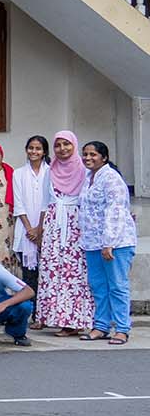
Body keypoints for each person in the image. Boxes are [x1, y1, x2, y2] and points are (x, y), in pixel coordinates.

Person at [35, 131, 94, 336]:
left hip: (76, 225)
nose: (62, 149)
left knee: (75, 272)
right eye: (58, 145)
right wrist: (41, 229)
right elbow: (45, 202)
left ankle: (76, 321)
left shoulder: (84, 171)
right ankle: (56, 318)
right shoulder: (50, 171)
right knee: (55, 271)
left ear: (74, 145)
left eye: (66, 144)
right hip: (54, 226)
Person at [78, 140, 136, 345]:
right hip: (92, 243)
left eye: (93, 154)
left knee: (117, 285)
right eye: (85, 154)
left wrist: (109, 242)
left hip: (115, 243)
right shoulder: (88, 178)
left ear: (104, 157)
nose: (88, 158)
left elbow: (116, 211)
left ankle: (122, 328)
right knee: (98, 286)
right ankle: (101, 326)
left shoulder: (111, 178)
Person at [11, 135, 50, 288]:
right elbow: (18, 202)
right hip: (25, 230)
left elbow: (48, 202)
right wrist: (30, 230)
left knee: (47, 273)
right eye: (31, 148)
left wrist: (39, 229)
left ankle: (45, 311)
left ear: (44, 152)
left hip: (47, 227)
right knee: (29, 276)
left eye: (38, 148)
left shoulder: (51, 172)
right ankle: (32, 310)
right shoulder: (18, 173)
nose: (34, 151)